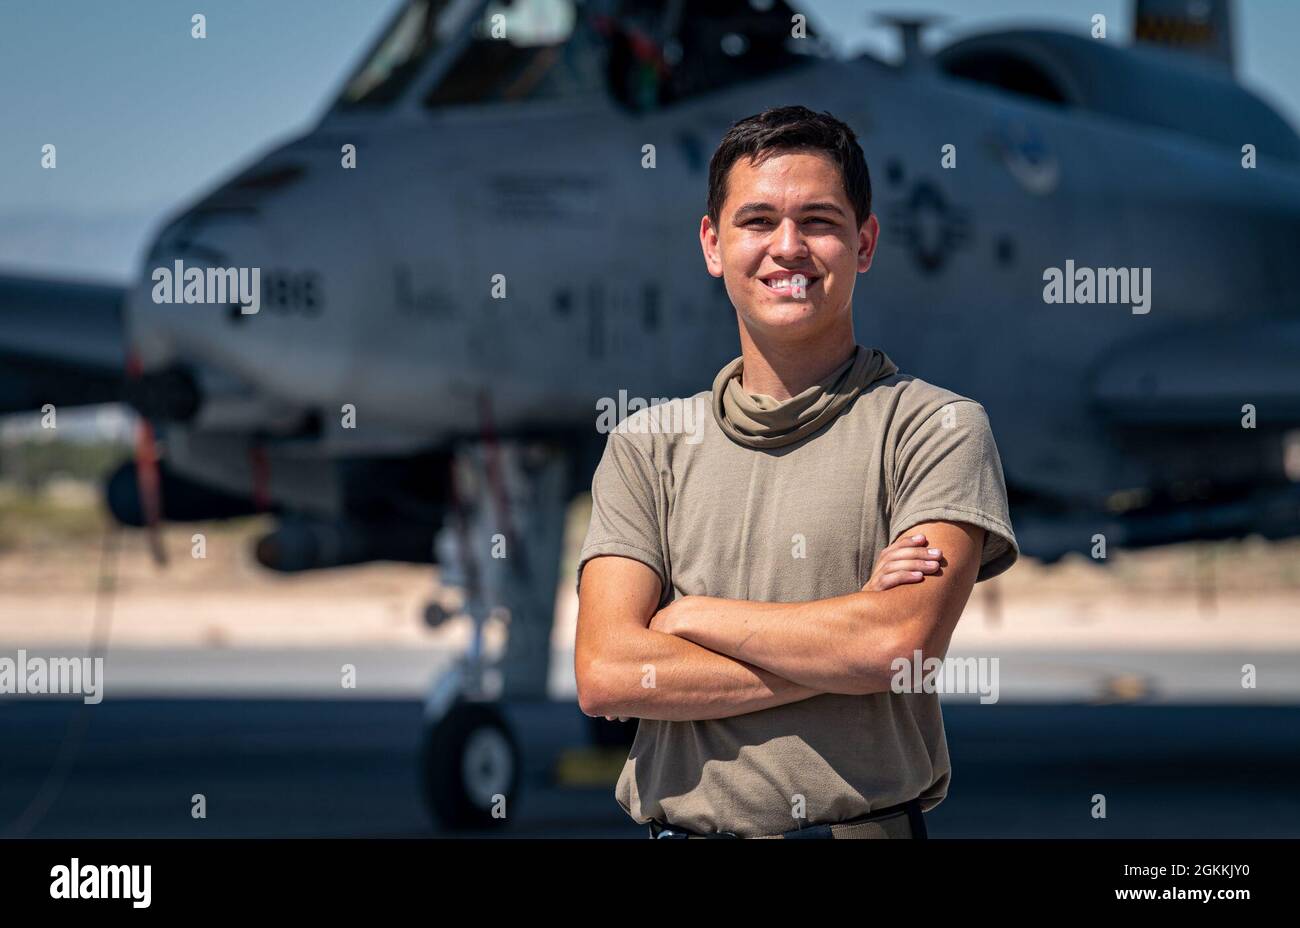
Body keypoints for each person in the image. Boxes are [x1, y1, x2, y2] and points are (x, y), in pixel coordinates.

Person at [574, 105, 1019, 839]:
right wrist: (839, 650)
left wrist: (690, 618)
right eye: (756, 222)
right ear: (712, 244)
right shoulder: (644, 446)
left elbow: (897, 649)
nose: (788, 248)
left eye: (818, 221)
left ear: (865, 242)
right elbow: (608, 673)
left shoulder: (935, 428)